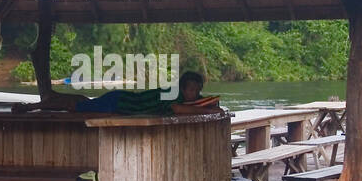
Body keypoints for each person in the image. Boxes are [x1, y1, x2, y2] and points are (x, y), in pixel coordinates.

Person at [14, 71, 220, 115]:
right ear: (183, 87)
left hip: (120, 100)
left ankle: (45, 99)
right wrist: (210, 111)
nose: (195, 93)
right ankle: (31, 107)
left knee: (81, 101)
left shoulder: (187, 97)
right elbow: (176, 108)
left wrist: (212, 105)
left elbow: (203, 102)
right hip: (119, 103)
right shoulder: (173, 94)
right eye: (192, 89)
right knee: (74, 106)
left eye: (197, 90)